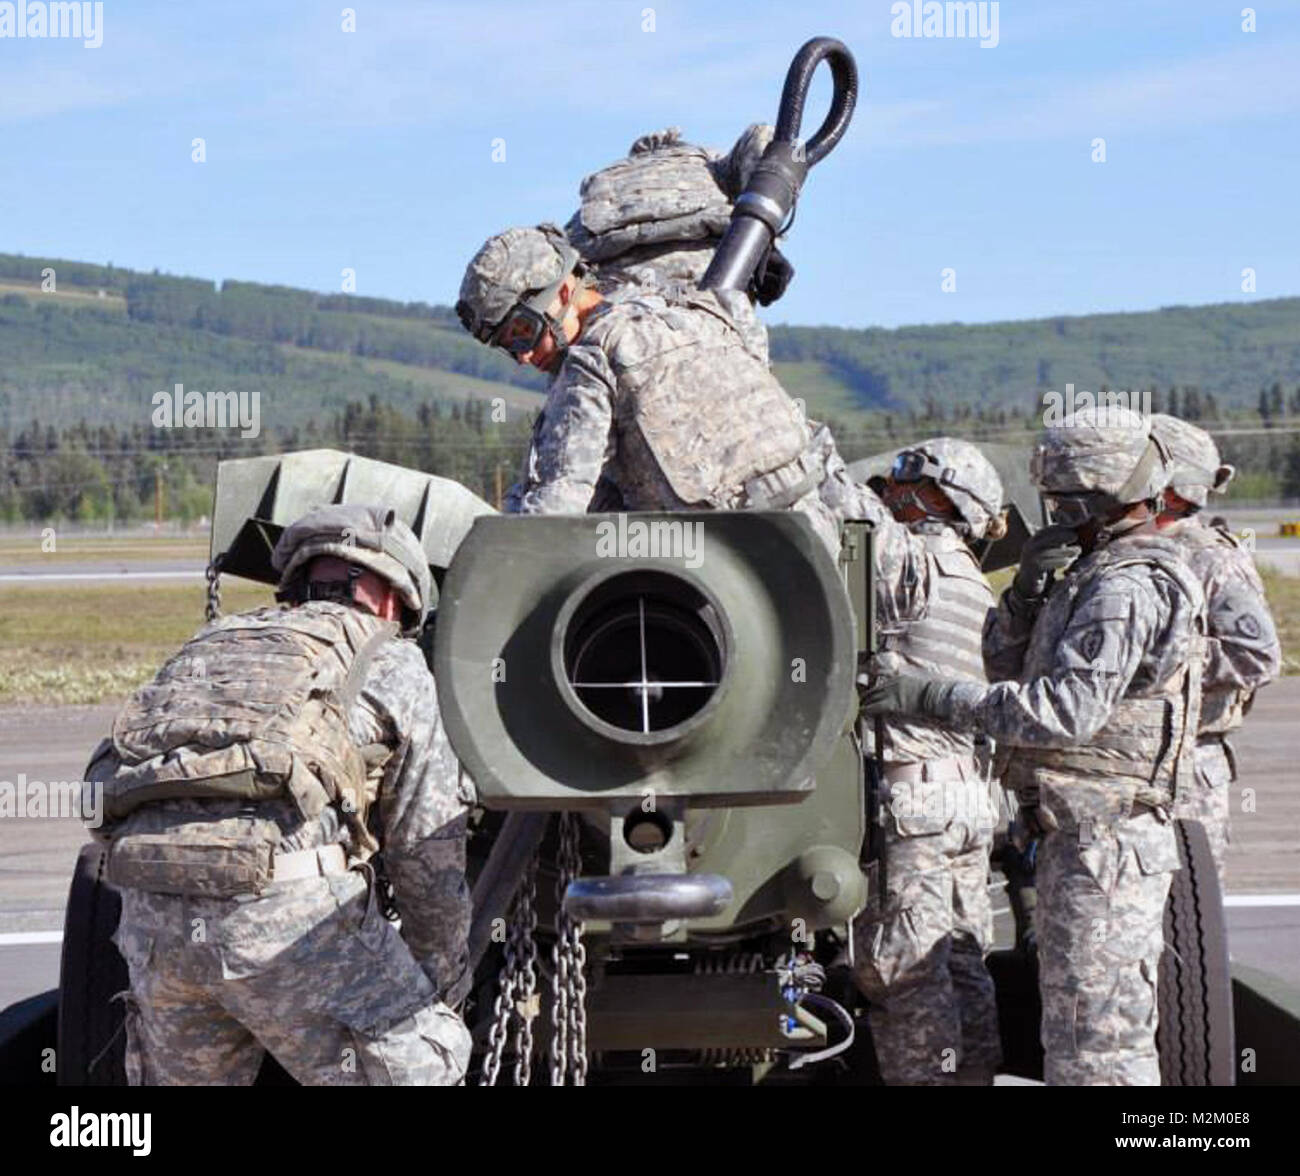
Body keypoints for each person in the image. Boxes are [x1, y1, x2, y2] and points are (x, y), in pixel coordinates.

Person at [861, 407, 1205, 1085]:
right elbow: (1001, 661)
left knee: (1097, 1045)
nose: (1052, 512)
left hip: (1105, 841)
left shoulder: (1126, 585)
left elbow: (1062, 713)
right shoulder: (1093, 573)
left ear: (1091, 493)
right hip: (1074, 837)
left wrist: (927, 696)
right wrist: (1024, 595)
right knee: (1073, 1029)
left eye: (1062, 500)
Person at [85, 504, 473, 1085]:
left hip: (156, 926)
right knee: (428, 1064)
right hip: (283, 924)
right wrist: (436, 986)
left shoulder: (212, 643)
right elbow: (427, 855)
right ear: (395, 600)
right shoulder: (391, 659)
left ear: (298, 585)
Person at [455, 223, 840, 555]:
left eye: (523, 333)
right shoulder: (707, 308)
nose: (522, 357)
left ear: (559, 293)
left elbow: (556, 512)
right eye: (508, 347)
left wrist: (495, 564)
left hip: (732, 561)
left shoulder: (591, 361)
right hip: (818, 534)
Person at [824, 437, 1005, 1086]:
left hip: (914, 807)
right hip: (966, 803)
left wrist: (806, 443)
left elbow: (836, 500)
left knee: (904, 975)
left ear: (942, 497)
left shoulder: (914, 564)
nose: (892, 489)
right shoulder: (974, 586)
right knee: (962, 966)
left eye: (907, 480)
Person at [1150, 413, 1281, 885]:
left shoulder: (1209, 556)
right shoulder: (1110, 548)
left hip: (1187, 764)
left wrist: (1153, 662)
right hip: (1118, 765)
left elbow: (1257, 656)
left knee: (1183, 922)